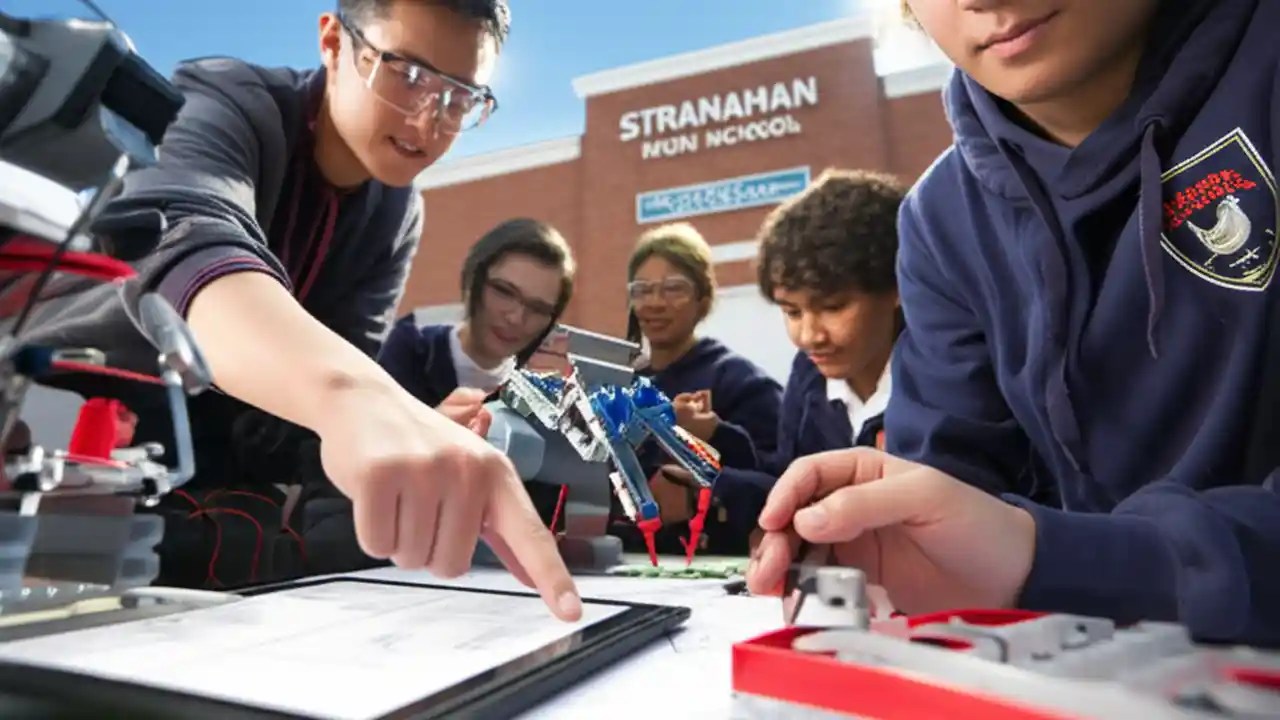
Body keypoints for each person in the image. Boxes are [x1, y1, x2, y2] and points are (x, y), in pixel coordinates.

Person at [23, 0, 581, 619]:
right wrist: (357, 396)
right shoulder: (225, 99)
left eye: (461, 97)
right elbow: (185, 240)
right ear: (334, 42)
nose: (430, 121)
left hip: (203, 516)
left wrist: (405, 432)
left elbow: (305, 420)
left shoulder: (395, 213)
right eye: (409, 75)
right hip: (55, 445)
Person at [748, 0, 1280, 644]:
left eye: (830, 305)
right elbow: (947, 504)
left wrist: (1068, 560)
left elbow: (1034, 556)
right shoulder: (940, 222)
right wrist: (883, 548)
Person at [622, 223, 783, 554]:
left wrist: (711, 444)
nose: (654, 303)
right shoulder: (620, 384)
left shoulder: (741, 383)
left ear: (704, 299)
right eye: (642, 290)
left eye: (673, 289)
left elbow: (783, 486)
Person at [756, 168, 906, 466]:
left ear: (897, 288)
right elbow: (787, 480)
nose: (810, 336)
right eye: (792, 312)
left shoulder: (948, 375)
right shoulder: (808, 374)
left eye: (833, 307)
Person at [379, 218, 575, 407]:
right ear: (472, 280)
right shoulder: (405, 349)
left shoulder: (537, 397)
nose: (516, 318)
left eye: (538, 309)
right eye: (504, 291)